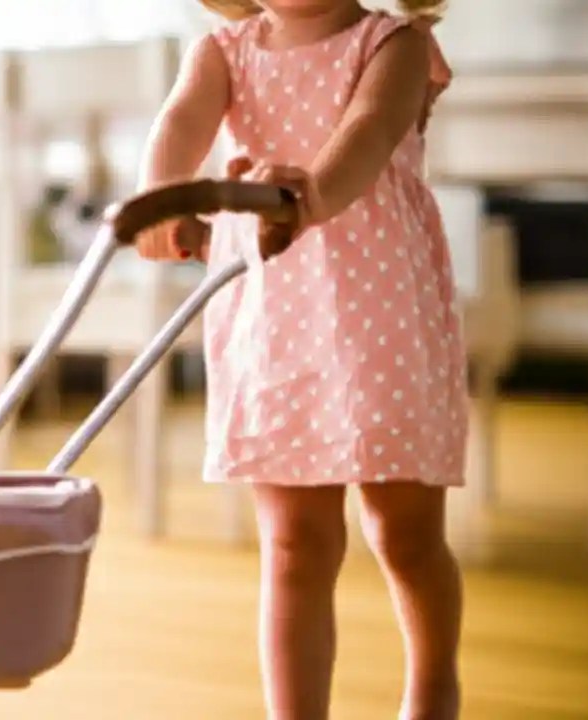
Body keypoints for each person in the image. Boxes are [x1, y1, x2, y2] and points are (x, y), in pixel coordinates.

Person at [133, 2, 466, 718]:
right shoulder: (223, 53)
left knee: (406, 533)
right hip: (276, 318)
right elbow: (179, 124)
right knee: (293, 544)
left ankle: (433, 684)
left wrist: (308, 199)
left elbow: (367, 132)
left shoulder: (394, 45)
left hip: (385, 319)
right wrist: (160, 197)